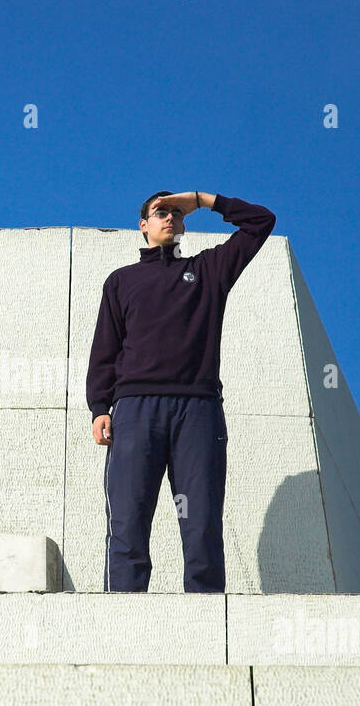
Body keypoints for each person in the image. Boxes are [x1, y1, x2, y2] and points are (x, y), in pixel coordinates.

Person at [87, 191, 276, 592]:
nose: (169, 217)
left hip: (198, 408)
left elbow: (261, 222)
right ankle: (124, 609)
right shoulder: (121, 281)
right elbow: (106, 348)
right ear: (143, 225)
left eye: (176, 212)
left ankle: (206, 614)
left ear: (185, 221)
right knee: (128, 517)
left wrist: (205, 200)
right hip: (135, 408)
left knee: (202, 518)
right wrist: (99, 406)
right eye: (160, 212)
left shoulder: (208, 270)